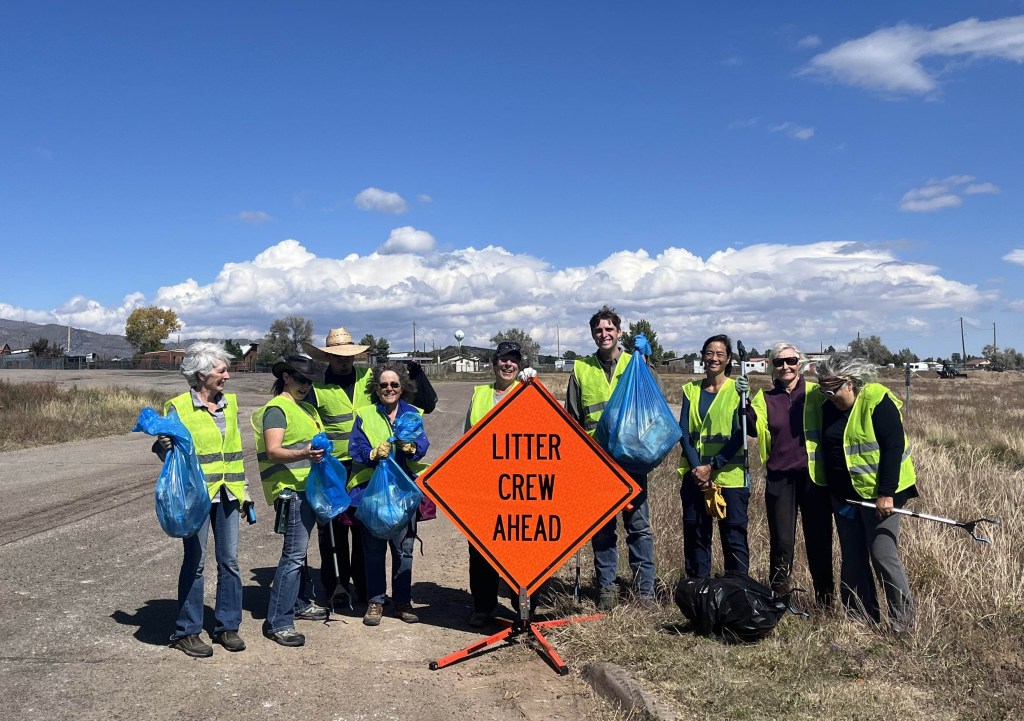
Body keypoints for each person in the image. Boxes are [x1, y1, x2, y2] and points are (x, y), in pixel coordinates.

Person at [155, 342, 251, 657]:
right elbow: (165, 452)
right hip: (195, 496)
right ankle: (187, 630)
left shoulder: (232, 404)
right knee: (195, 564)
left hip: (229, 493)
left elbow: (234, 450)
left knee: (230, 562)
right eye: (222, 370)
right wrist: (163, 445)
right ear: (202, 374)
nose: (227, 376)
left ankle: (228, 626)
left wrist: (244, 491)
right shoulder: (179, 407)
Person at [813, 354, 917, 632]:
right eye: (822, 389)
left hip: (882, 495)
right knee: (853, 557)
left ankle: (902, 625)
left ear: (849, 382)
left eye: (832, 389)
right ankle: (861, 620)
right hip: (846, 498)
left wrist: (886, 493)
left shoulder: (877, 401)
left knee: (882, 554)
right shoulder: (828, 407)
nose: (828, 395)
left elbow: (893, 448)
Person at [566, 306, 656, 610]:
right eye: (598, 330)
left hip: (631, 459)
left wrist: (648, 361)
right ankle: (605, 590)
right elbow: (573, 420)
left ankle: (644, 593)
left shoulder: (634, 362)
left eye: (609, 329)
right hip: (596, 463)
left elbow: (651, 392)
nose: (603, 334)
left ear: (618, 332)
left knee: (638, 527)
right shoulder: (581, 369)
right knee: (603, 530)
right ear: (593, 335)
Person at [741, 343, 834, 604]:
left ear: (800, 363)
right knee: (782, 543)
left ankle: (825, 600)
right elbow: (751, 427)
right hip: (780, 479)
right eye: (779, 363)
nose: (786, 367)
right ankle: (778, 600)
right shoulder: (765, 398)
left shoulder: (816, 393)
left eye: (791, 361)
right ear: (772, 367)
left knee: (819, 541)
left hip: (814, 479)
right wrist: (744, 402)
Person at [251, 355, 330, 647]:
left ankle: (298, 602)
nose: (306, 386)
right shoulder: (276, 409)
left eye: (309, 381)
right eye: (300, 379)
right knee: (294, 556)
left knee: (302, 554)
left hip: (308, 488)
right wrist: (305, 454)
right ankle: (279, 622)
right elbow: (274, 451)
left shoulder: (306, 408)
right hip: (291, 491)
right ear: (286, 377)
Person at [463, 341, 538, 626]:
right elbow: (467, 437)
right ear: (494, 364)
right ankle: (483, 606)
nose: (508, 365)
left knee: (523, 543)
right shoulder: (480, 394)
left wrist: (535, 388)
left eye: (513, 360)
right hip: (485, 482)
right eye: (503, 360)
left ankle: (525, 607)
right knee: (481, 545)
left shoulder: (528, 390)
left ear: (519, 364)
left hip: (521, 485)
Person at [348, 363, 430, 626]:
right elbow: (355, 447)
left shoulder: (413, 413)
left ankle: (403, 601)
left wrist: (412, 447)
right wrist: (372, 454)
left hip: (404, 493)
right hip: (373, 494)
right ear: (377, 388)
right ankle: (375, 601)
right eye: (384, 385)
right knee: (373, 550)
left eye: (394, 384)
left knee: (403, 550)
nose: (389, 389)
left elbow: (423, 445)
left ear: (402, 386)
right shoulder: (365, 414)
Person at [302, 327, 374, 610]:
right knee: (331, 529)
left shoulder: (369, 379)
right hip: (333, 468)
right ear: (328, 357)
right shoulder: (316, 387)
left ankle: (366, 587)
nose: (343, 361)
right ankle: (336, 586)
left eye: (347, 356)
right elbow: (307, 423)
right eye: (337, 356)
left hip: (365, 465)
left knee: (363, 527)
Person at [678, 334, 749, 579]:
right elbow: (684, 433)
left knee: (734, 541)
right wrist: (698, 468)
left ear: (728, 359)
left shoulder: (737, 391)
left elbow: (742, 433)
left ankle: (737, 594)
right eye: (709, 353)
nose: (714, 358)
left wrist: (713, 466)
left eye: (720, 354)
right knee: (696, 538)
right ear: (702, 356)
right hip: (695, 477)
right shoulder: (690, 390)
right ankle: (699, 594)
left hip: (730, 479)